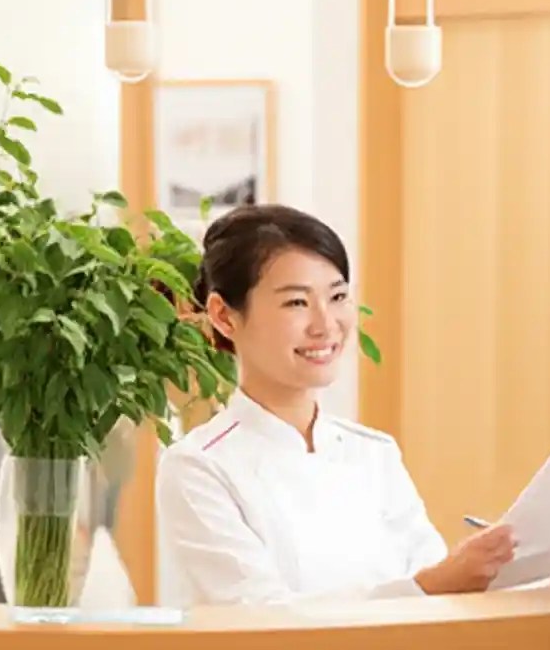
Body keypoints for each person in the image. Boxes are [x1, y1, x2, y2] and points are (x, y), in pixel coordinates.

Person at [156, 204, 515, 605]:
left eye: (338, 296)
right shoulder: (199, 466)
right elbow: (261, 619)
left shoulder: (374, 453)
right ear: (223, 316)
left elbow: (438, 592)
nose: (325, 325)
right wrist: (433, 584)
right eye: (296, 302)